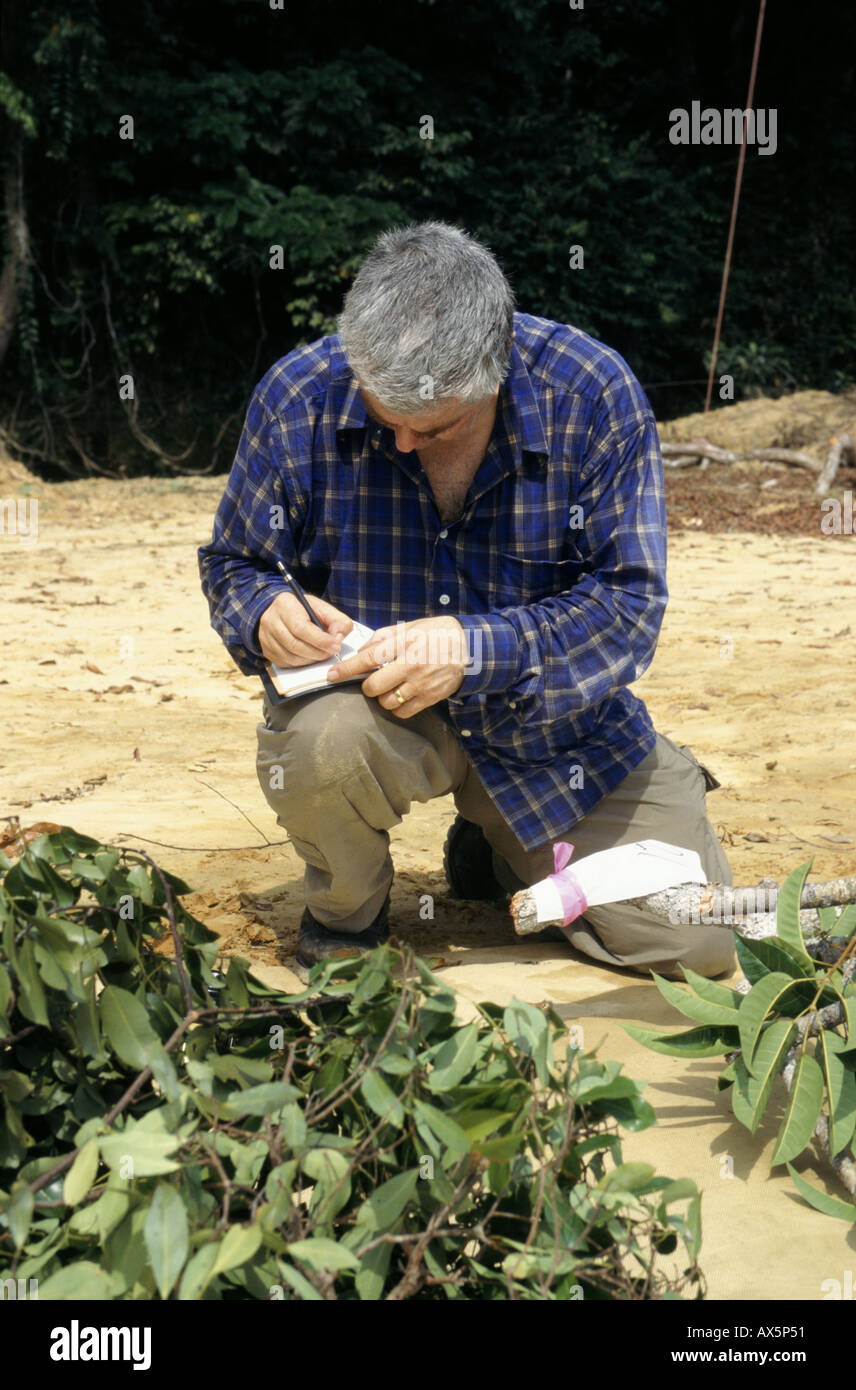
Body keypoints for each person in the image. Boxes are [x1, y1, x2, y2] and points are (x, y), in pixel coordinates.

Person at [198, 220, 734, 983]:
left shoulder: (592, 393)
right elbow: (234, 563)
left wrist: (477, 649)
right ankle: (347, 911)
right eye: (388, 422)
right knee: (320, 747)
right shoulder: (298, 397)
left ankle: (501, 848)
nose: (407, 445)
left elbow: (628, 610)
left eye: (438, 426)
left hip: (557, 736)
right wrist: (262, 610)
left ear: (498, 368)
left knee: (698, 942)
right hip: (377, 718)